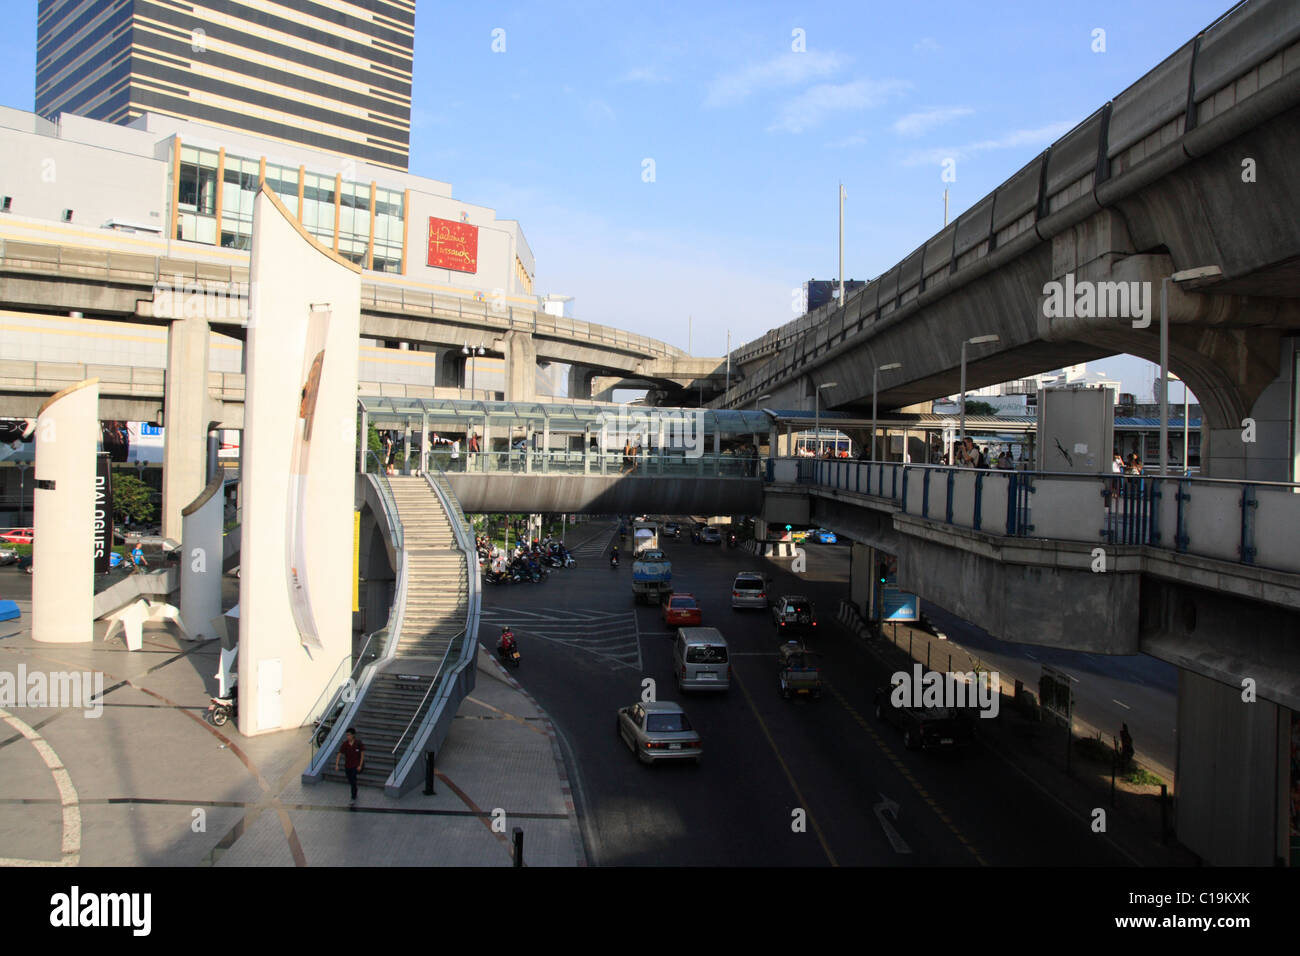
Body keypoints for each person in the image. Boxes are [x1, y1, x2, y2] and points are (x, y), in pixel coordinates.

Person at [334, 727, 365, 804]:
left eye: (349, 735)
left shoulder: (358, 743)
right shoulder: (345, 744)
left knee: (353, 780)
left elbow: (362, 754)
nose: (348, 737)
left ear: (353, 735)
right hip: (348, 766)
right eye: (347, 735)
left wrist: (360, 765)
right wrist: (337, 765)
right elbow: (339, 754)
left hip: (355, 765)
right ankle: (355, 789)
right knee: (351, 780)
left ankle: (353, 796)